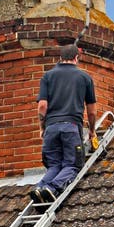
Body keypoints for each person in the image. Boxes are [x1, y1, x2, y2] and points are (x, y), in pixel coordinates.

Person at [30, 43, 97, 205]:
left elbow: (42, 106)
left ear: (60, 58)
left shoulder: (48, 76)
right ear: (76, 58)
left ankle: (40, 188)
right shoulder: (85, 78)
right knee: (72, 165)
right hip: (71, 127)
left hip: (51, 129)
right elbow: (92, 110)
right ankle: (52, 188)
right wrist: (92, 131)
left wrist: (42, 128)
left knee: (54, 165)